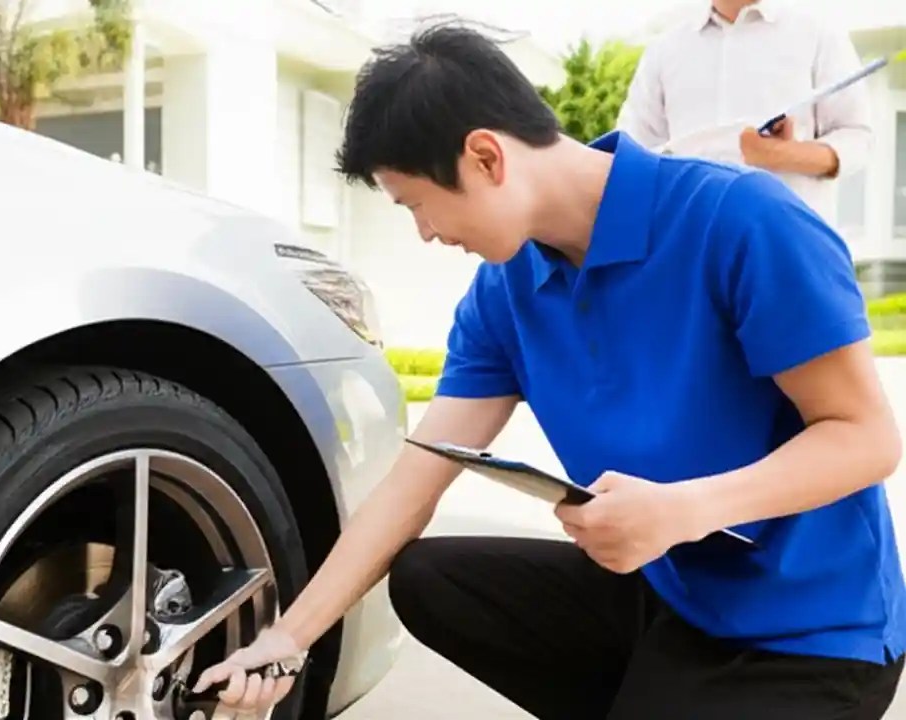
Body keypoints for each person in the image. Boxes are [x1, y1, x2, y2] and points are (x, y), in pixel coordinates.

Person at [188, 20, 906, 720]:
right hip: (673, 601)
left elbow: (867, 438)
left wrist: (683, 510)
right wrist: (287, 639)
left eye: (417, 205)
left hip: (813, 632)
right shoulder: (503, 293)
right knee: (430, 578)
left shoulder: (743, 222)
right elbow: (412, 483)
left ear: (485, 157)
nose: (427, 233)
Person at [616, 0, 872, 224]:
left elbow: (856, 137)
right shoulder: (665, 49)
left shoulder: (816, 33)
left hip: (787, 245)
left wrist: (785, 155)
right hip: (690, 248)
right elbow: (632, 154)